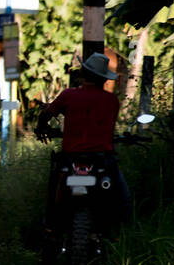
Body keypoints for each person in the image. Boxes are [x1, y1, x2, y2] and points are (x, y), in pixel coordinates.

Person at [35, 52, 131, 225]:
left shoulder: (68, 95)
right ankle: (120, 232)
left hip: (70, 157)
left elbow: (46, 115)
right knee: (123, 199)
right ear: (103, 79)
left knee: (52, 193)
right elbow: (97, 120)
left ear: (83, 74)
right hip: (102, 158)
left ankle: (49, 229)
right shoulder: (112, 101)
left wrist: (42, 128)